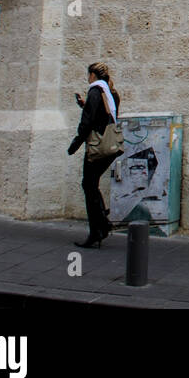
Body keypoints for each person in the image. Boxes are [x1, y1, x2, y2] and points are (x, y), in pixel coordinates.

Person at [67, 62, 123, 248]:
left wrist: (75, 144)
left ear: (92, 75)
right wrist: (86, 105)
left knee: (89, 184)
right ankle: (102, 224)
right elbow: (103, 115)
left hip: (97, 146)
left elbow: (88, 122)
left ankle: (97, 230)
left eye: (88, 74)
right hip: (111, 146)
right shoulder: (110, 93)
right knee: (91, 184)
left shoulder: (94, 91)